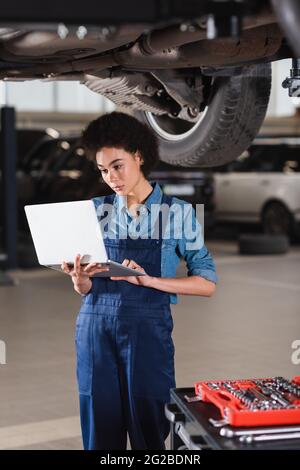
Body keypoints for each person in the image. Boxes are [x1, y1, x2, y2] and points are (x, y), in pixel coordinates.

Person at [61, 111, 217, 450]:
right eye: (103, 170)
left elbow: (207, 283)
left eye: (118, 165)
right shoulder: (94, 209)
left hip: (146, 333)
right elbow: (88, 287)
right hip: (93, 330)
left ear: (140, 155)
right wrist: (79, 281)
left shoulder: (178, 213)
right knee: (99, 430)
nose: (112, 178)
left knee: (150, 429)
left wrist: (152, 281)